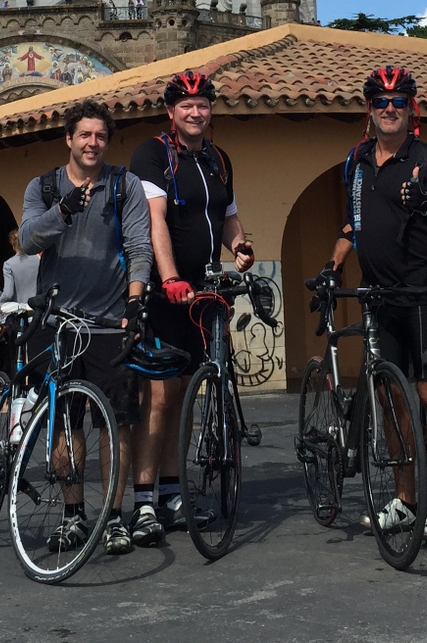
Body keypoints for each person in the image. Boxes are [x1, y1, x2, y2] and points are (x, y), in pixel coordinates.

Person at [324, 65, 427, 547]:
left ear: (412, 108)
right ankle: (406, 500)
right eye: (380, 101)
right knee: (389, 395)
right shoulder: (357, 161)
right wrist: (333, 265)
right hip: (378, 298)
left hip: (424, 295)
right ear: (369, 109)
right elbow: (353, 224)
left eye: (398, 101)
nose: (389, 109)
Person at [19, 98, 154, 557]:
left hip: (110, 323)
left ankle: (114, 519)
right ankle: (73, 515)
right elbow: (27, 239)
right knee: (64, 425)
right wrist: (64, 210)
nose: (92, 143)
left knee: (116, 426)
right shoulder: (43, 187)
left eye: (100, 136)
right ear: (69, 139)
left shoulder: (124, 185)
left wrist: (135, 304)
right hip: (58, 324)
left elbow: (139, 246)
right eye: (85, 135)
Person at [128, 69, 254, 546]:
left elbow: (228, 217)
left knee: (183, 395)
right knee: (157, 396)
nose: (195, 112)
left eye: (202, 104)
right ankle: (142, 501)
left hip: (204, 292)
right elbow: (155, 221)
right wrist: (169, 278)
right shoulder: (153, 154)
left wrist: (240, 246)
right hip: (166, 292)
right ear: (171, 113)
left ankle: (172, 491)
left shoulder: (219, 160)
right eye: (186, 105)